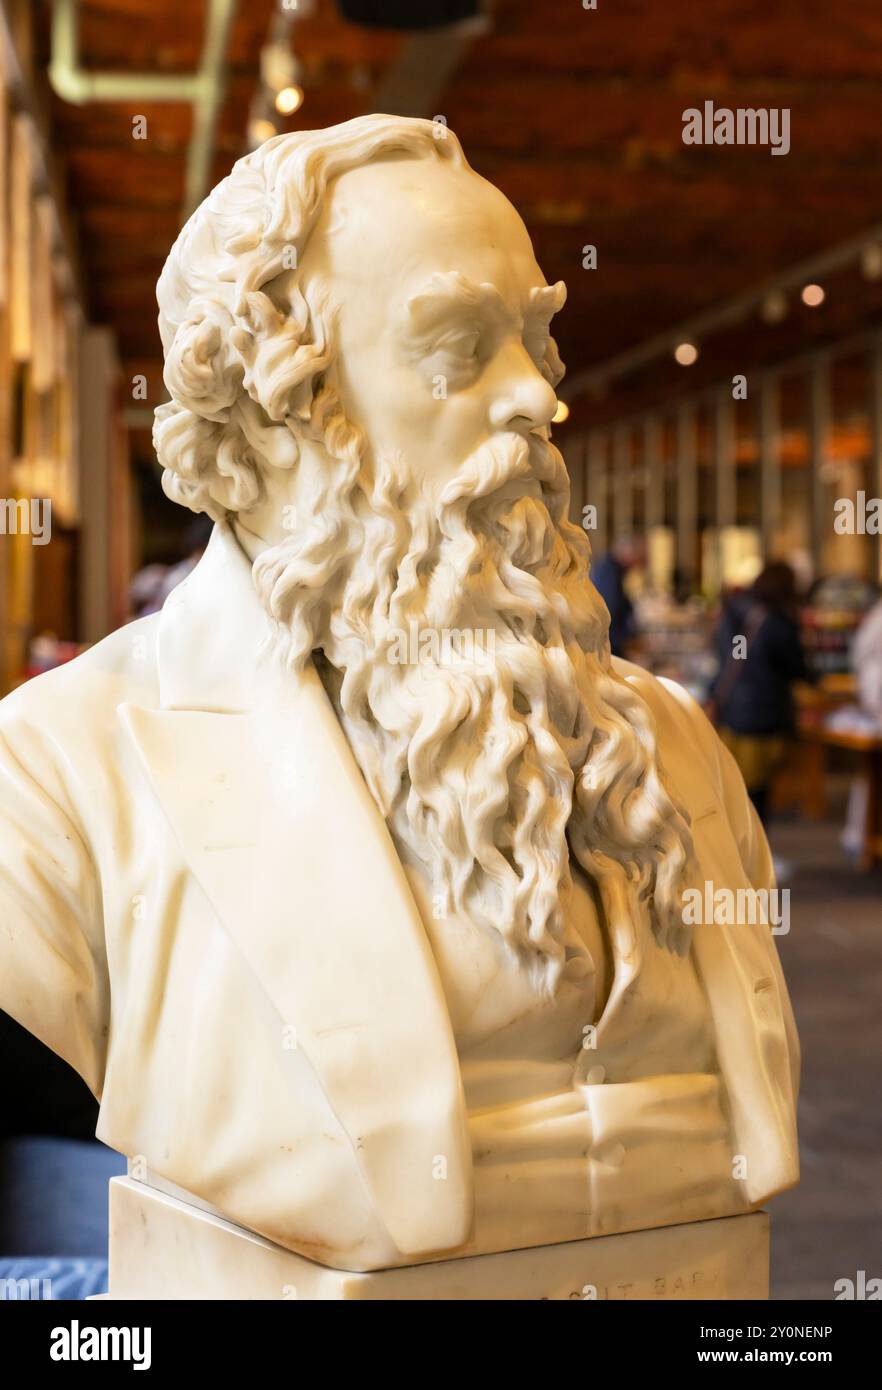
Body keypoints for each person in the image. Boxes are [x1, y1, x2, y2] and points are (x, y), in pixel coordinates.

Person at [0, 115, 798, 1275]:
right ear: (279, 416)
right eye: (460, 346)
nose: (538, 401)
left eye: (536, 341)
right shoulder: (62, 768)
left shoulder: (674, 744)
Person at [710, 562, 812, 825]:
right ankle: (754, 855)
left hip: (731, 709)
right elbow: (795, 666)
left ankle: (731, 854)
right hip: (764, 714)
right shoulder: (778, 622)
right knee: (757, 793)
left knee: (732, 788)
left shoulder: (733, 611)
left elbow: (729, 658)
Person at [591, 535, 646, 656]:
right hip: (610, 643)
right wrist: (626, 638)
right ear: (628, 552)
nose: (638, 564)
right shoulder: (608, 572)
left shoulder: (614, 570)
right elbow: (609, 609)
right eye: (639, 557)